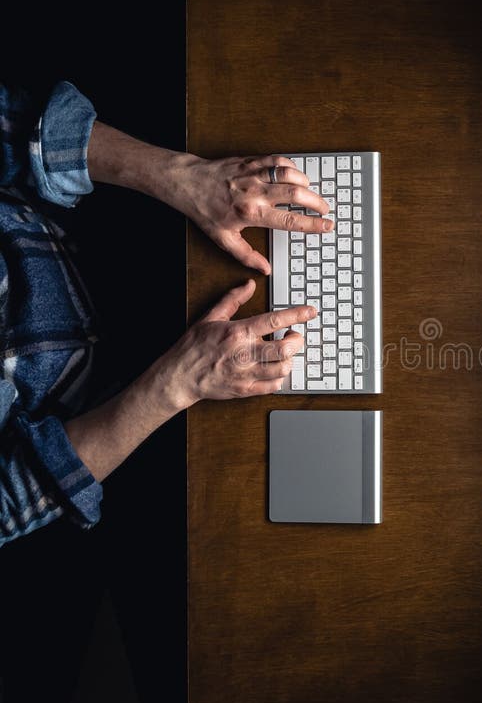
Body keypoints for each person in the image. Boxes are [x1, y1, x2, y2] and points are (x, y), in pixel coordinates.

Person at [0, 79, 332, 547]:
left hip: (91, 221)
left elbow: (13, 124)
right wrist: (178, 383)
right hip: (105, 425)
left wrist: (182, 175)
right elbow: (15, 498)